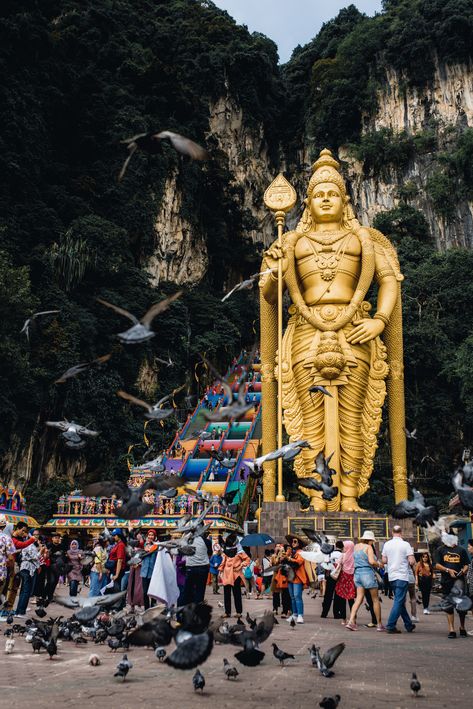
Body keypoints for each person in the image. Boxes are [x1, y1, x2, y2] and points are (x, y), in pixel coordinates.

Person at [259, 148, 405, 512]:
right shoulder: (291, 242)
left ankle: (351, 495)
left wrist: (379, 320)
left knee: (354, 418)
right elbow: (267, 291)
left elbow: (389, 281)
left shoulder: (364, 240)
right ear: (307, 202)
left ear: (345, 200)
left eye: (332, 194)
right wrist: (276, 271)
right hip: (306, 331)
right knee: (310, 421)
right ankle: (317, 497)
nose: (326, 199)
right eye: (319, 194)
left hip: (355, 330)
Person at [346, 532, 384, 631]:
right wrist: (379, 564)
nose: (372, 542)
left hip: (357, 574)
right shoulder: (368, 547)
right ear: (369, 540)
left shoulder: (356, 547)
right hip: (367, 573)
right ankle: (379, 624)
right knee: (375, 599)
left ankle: (351, 621)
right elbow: (371, 561)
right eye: (372, 541)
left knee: (358, 599)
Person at [382, 525, 416, 634]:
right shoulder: (406, 544)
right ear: (401, 532)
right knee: (399, 601)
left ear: (392, 532)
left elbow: (384, 560)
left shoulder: (387, 544)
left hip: (392, 576)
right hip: (402, 576)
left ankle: (408, 625)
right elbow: (411, 561)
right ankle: (391, 625)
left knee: (399, 601)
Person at [435, 533, 469, 639]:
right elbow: (436, 564)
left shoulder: (461, 550)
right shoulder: (440, 550)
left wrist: (463, 570)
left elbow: (466, 564)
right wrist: (447, 570)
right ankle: (451, 629)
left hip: (459, 582)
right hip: (446, 582)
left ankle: (462, 627)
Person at [219, 534, 250, 618]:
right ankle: (227, 612)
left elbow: (247, 560)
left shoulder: (240, 551)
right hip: (226, 574)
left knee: (237, 593)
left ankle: (239, 612)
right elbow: (224, 561)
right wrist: (220, 570)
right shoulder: (226, 550)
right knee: (226, 594)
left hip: (236, 574)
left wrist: (240, 565)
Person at [15, 533, 40, 617]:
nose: (36, 537)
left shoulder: (30, 544)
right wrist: (41, 551)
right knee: (26, 591)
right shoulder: (29, 545)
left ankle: (19, 611)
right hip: (27, 569)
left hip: (27, 569)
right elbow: (34, 557)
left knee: (24, 591)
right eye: (34, 535)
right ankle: (21, 612)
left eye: (37, 535)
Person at [285, 535, 308, 624]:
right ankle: (294, 614)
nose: (293, 543)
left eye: (295, 542)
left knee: (297, 596)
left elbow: (299, 562)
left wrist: (289, 558)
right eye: (292, 542)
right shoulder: (291, 552)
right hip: (290, 577)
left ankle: (300, 615)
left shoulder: (300, 552)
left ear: (299, 544)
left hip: (298, 577)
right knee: (292, 597)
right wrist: (286, 555)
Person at [182, 532, 210, 604]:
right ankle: (197, 610)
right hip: (203, 568)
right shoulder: (207, 541)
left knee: (187, 591)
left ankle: (188, 611)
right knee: (200, 591)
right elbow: (210, 554)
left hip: (190, 568)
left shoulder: (187, 540)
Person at [333, 540, 356, 624]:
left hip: (343, 579)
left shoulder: (343, 555)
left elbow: (336, 565)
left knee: (342, 599)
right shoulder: (355, 556)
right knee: (351, 599)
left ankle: (343, 619)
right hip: (352, 579)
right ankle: (353, 619)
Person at [321, 540, 343, 618]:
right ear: (342, 547)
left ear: (336, 546)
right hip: (338, 576)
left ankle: (324, 613)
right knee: (337, 596)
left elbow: (325, 564)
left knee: (328, 595)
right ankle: (336, 614)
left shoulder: (330, 554)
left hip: (330, 576)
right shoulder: (342, 555)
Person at [271, 545, 292, 617]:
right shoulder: (273, 556)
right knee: (275, 593)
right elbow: (273, 564)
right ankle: (275, 608)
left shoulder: (285, 555)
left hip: (283, 576)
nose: (278, 547)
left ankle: (288, 609)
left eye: (279, 546)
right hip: (276, 576)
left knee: (286, 594)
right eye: (276, 546)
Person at [140, 530, 159, 609]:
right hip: (144, 572)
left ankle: (153, 608)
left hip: (153, 572)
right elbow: (141, 556)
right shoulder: (145, 545)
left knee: (153, 592)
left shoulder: (157, 546)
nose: (150, 536)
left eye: (152, 535)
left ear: (154, 536)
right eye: (149, 535)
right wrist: (145, 550)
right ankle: (147, 609)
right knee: (145, 592)